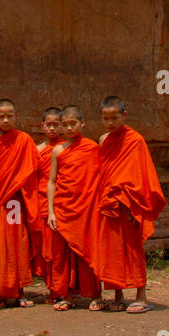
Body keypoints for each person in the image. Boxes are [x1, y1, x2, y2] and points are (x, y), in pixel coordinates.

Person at [95, 96, 166, 313]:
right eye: (106, 118)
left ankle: (141, 296)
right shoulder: (103, 140)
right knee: (113, 250)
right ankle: (118, 295)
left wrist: (134, 204)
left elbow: (140, 174)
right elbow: (104, 172)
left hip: (129, 203)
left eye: (115, 118)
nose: (110, 123)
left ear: (124, 115)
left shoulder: (135, 140)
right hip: (108, 201)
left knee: (133, 250)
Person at [45, 105, 103, 311]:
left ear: (82, 123)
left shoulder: (92, 147)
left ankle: (95, 294)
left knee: (88, 251)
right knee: (63, 254)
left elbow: (98, 177)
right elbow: (52, 181)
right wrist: (51, 211)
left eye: (73, 123)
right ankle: (66, 295)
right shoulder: (57, 151)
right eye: (65, 125)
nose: (69, 128)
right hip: (63, 207)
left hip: (86, 208)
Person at [0, 99, 39, 308]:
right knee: (0, 246)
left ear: (16, 117)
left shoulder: (24, 140)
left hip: (16, 200)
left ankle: (20, 291)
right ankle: (1, 292)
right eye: (2, 116)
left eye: (10, 116)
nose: (6, 120)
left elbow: (31, 171)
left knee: (18, 242)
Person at [30, 107, 62, 295]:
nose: (52, 129)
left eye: (55, 125)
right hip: (41, 200)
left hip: (61, 200)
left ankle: (60, 287)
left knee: (57, 247)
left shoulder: (65, 147)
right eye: (48, 125)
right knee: (45, 246)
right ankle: (51, 286)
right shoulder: (37, 149)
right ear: (42, 125)